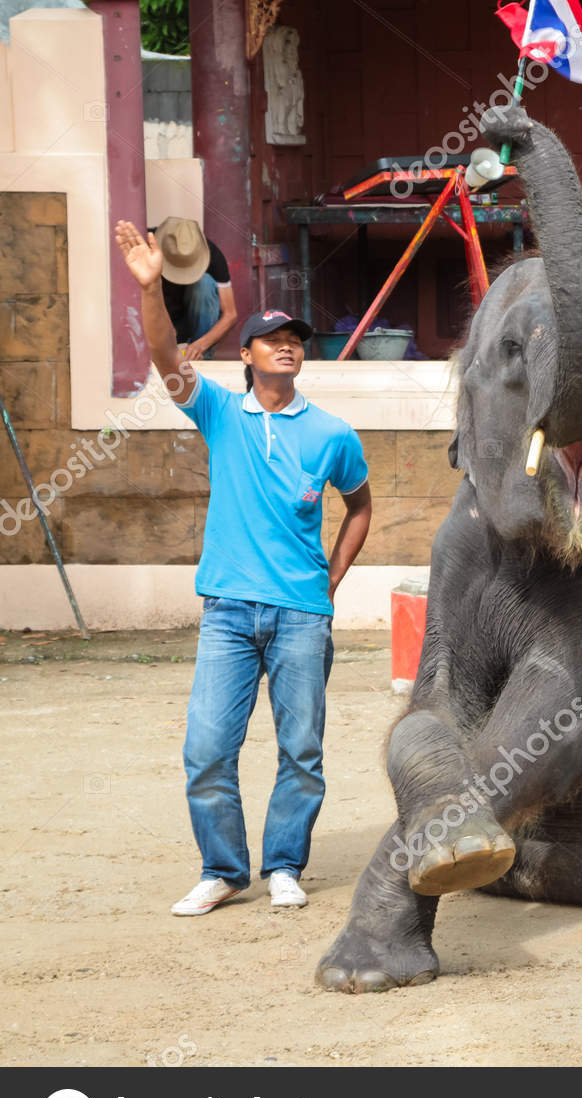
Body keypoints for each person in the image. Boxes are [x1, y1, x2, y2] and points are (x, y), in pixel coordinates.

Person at [114, 220, 374, 917]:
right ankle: (225, 869)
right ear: (248, 353)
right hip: (228, 611)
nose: (289, 344)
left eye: (298, 338)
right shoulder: (220, 414)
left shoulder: (332, 433)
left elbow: (360, 508)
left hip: (301, 615)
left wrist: (330, 581)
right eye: (274, 337)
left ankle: (284, 863)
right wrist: (151, 294)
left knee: (301, 751)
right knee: (205, 749)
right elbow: (169, 357)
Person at [150, 216, 239, 362]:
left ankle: (200, 357)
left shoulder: (212, 255)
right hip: (157, 326)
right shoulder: (146, 244)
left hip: (192, 326)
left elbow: (231, 315)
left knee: (204, 283)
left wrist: (199, 346)